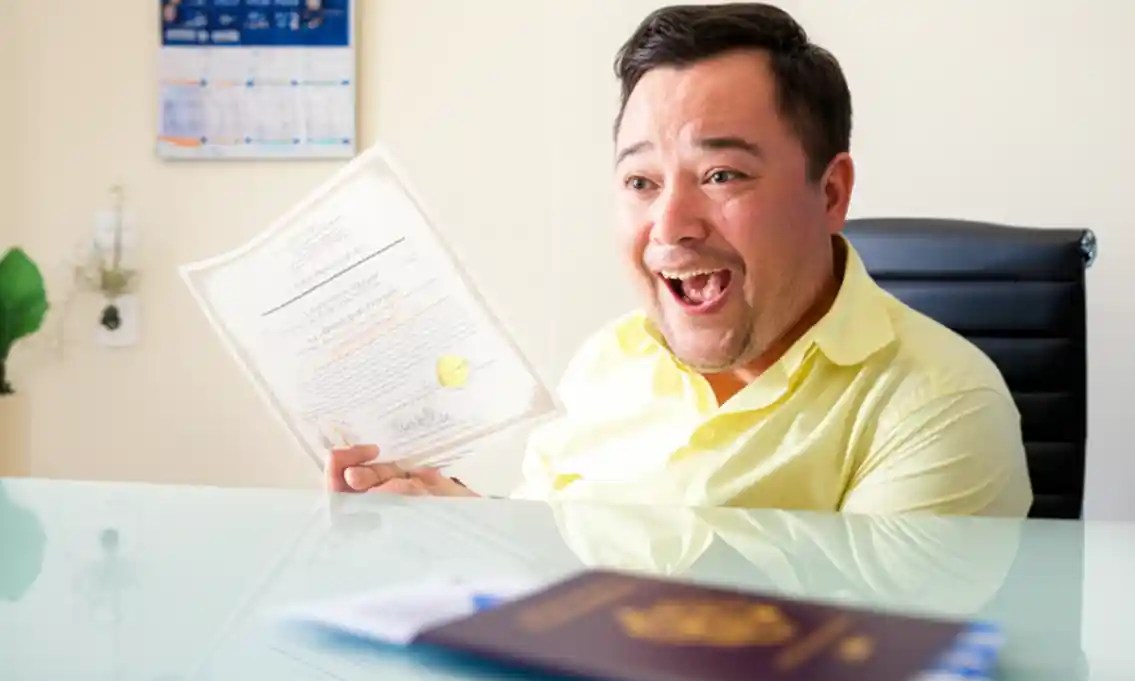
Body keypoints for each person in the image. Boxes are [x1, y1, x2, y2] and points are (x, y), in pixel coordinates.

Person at [328, 3, 1032, 517]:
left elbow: (858, 670)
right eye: (641, 182)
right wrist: (462, 518)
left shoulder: (941, 406)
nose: (670, 225)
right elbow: (542, 570)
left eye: (722, 175)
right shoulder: (607, 362)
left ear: (831, 193)